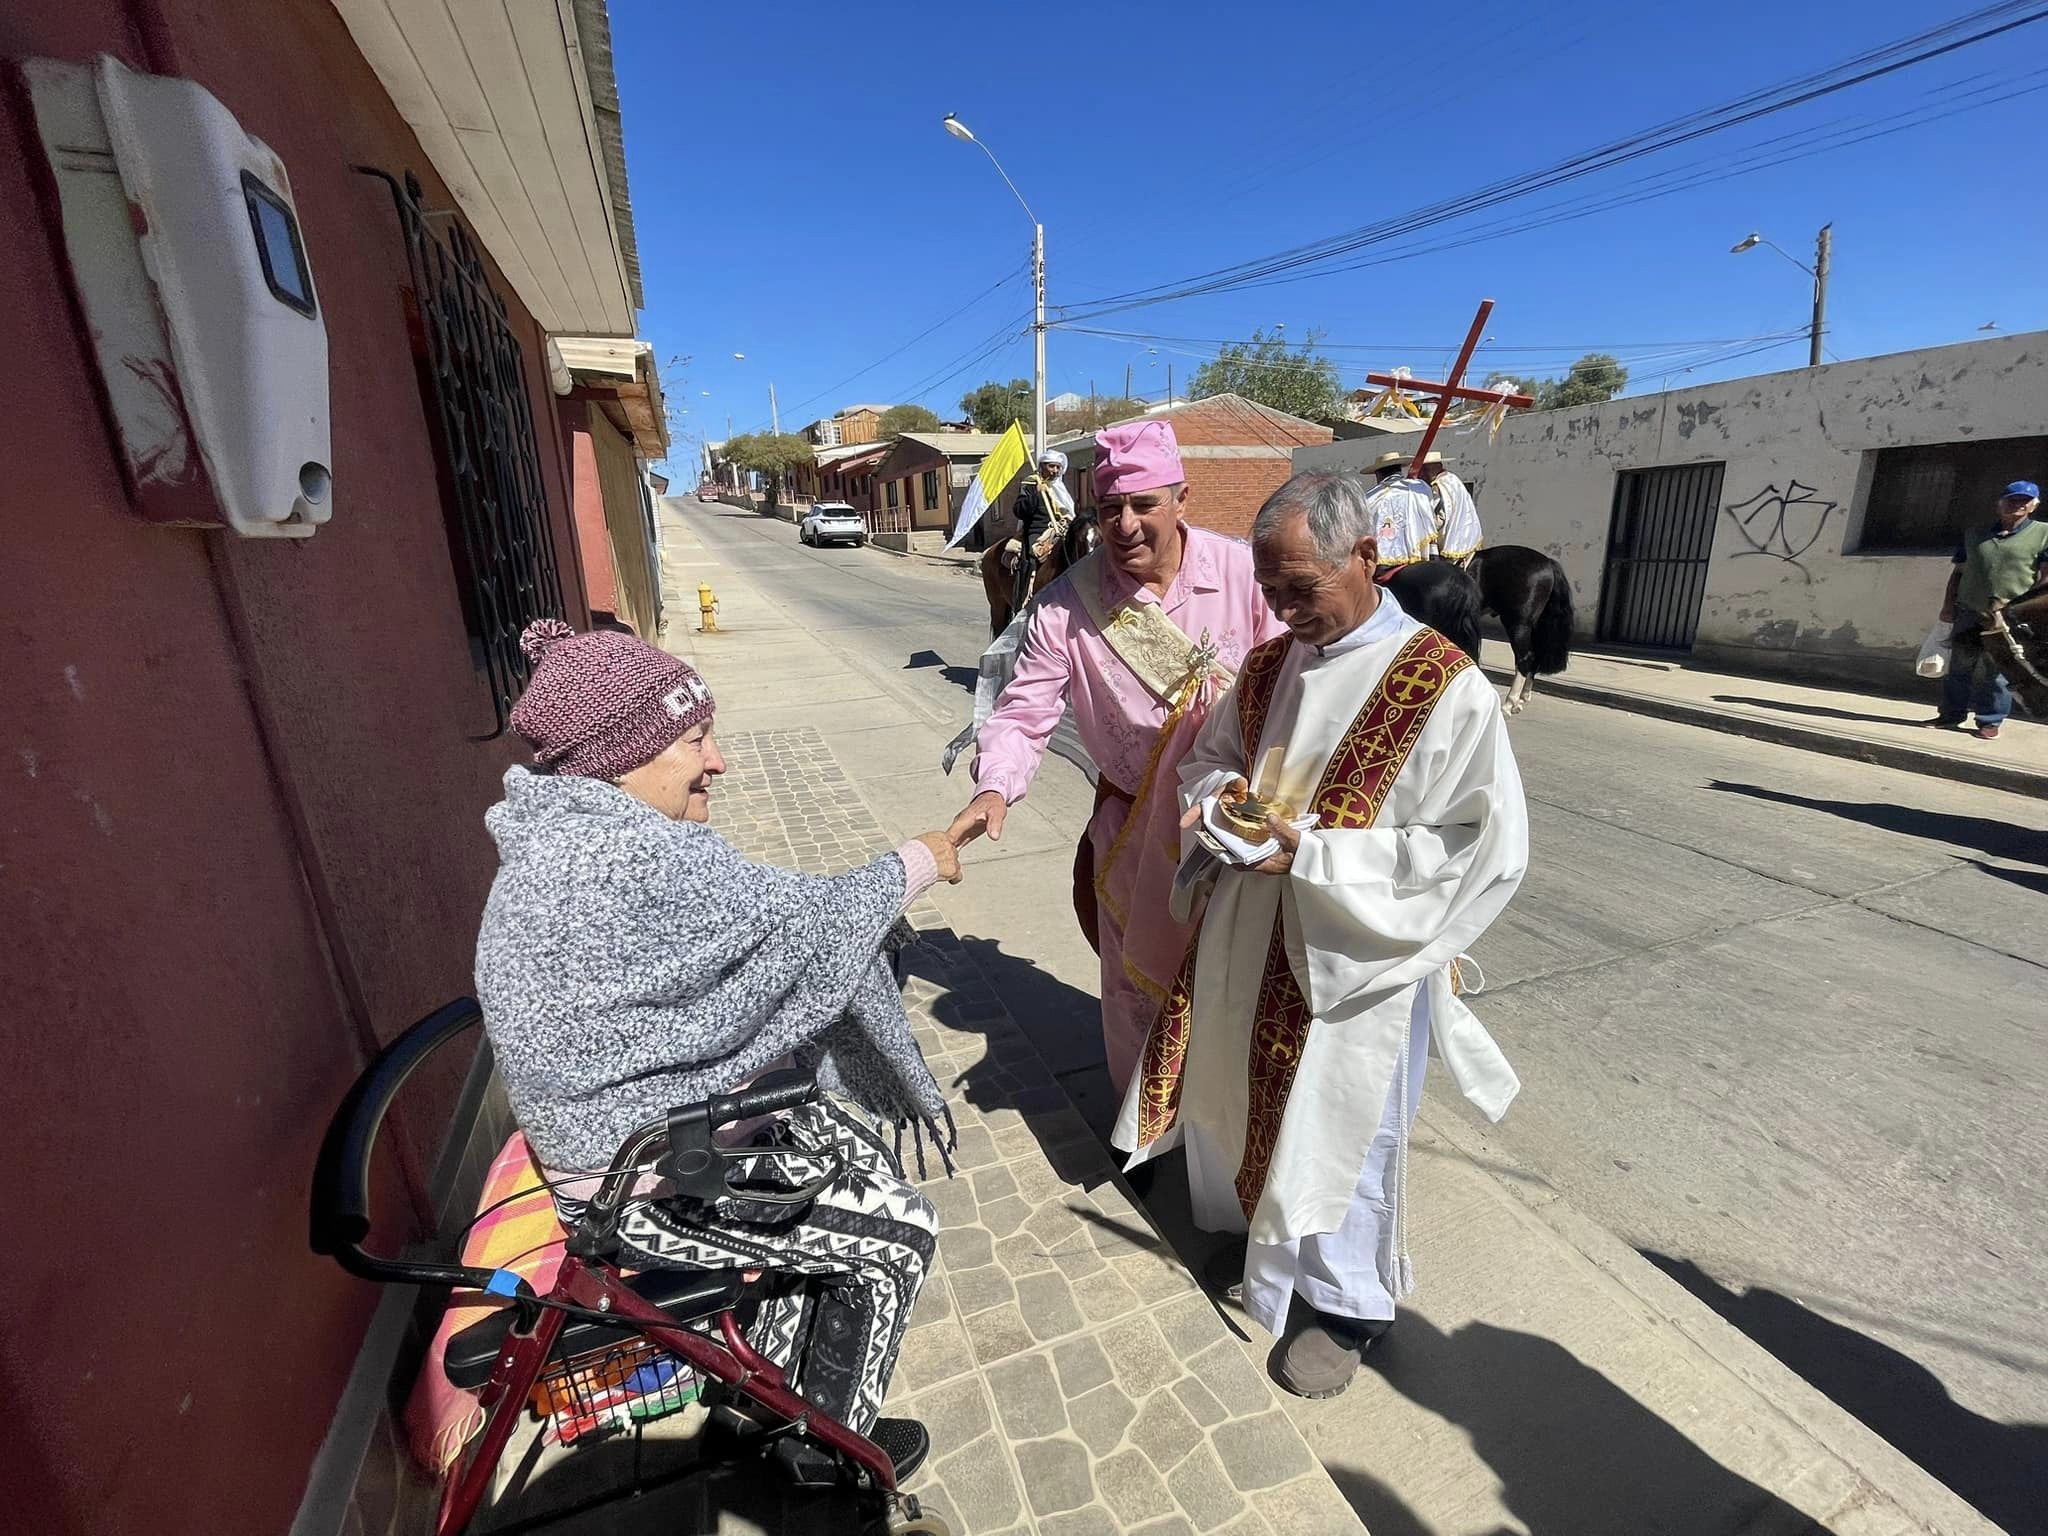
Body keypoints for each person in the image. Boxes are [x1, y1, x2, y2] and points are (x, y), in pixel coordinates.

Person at [474, 618, 965, 1482]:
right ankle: (827, 1462)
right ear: (623, 756)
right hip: (639, 1179)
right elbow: (818, 923)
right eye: (695, 739)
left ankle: (764, 1411)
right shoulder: (624, 857)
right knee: (900, 1236)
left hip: (642, 1131)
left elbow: (751, 949)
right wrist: (924, 858)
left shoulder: (568, 835)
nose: (719, 760)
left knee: (854, 1156)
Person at [1115, 470, 1528, 1399]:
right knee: (1241, 1098)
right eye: (1270, 591)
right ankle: (1267, 1252)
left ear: (1368, 558)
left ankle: (1348, 1308)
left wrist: (1315, 857)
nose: (1284, 609)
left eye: (1302, 587)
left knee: (1345, 1134)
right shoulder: (1267, 666)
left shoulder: (1443, 688)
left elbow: (1477, 847)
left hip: (1357, 961)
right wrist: (1221, 803)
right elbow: (1214, 759)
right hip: (1252, 936)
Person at [951, 420, 1284, 1095]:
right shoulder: (1065, 608)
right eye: (1109, 510)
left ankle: (1225, 1123)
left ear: (1182, 498)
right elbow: (1023, 711)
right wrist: (996, 785)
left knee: (1235, 985)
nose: (1124, 525)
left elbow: (1296, 680)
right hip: (1133, 834)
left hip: (1237, 827)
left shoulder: (1244, 574)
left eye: (1143, 504)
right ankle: (1144, 1126)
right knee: (1135, 995)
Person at [1930, 480, 2047, 741]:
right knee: (1959, 666)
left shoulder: (2043, 533)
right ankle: (1951, 714)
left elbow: (2045, 579)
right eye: (2011, 500)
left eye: (2023, 501)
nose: (2017, 505)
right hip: (1969, 609)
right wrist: (1948, 606)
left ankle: (1989, 721)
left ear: (2033, 506)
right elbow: (1958, 573)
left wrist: (2023, 609)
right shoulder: (1975, 534)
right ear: (2000, 504)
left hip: (2008, 618)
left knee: (1998, 672)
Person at [1008, 448, 1076, 613]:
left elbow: (1069, 511)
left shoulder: (1060, 487)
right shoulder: (1031, 483)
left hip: (1062, 527)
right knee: (1033, 554)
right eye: (1051, 466)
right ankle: (1024, 597)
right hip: (1038, 529)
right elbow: (1018, 510)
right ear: (1042, 466)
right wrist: (1035, 495)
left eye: (1058, 467)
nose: (1055, 471)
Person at [1362, 450, 1435, 571]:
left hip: (1382, 559)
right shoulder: (1419, 487)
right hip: (1419, 553)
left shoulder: (1371, 497)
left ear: (1379, 474)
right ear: (1399, 469)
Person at [1418, 450, 1483, 566]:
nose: (1421, 474)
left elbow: (1438, 519)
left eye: (1425, 469)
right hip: (1468, 534)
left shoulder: (1437, 487)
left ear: (1438, 466)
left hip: (1453, 538)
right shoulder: (1452, 479)